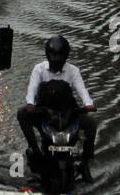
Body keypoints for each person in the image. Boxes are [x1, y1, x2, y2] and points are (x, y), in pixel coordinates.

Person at [16, 36, 97, 181]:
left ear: (65, 57)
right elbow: (32, 89)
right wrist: (30, 104)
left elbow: (82, 90)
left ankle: (85, 162)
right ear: (48, 56)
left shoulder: (73, 71)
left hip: (68, 113)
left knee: (91, 124)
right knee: (21, 114)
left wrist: (88, 104)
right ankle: (35, 149)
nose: (56, 62)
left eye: (60, 59)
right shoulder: (39, 69)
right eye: (54, 58)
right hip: (45, 113)